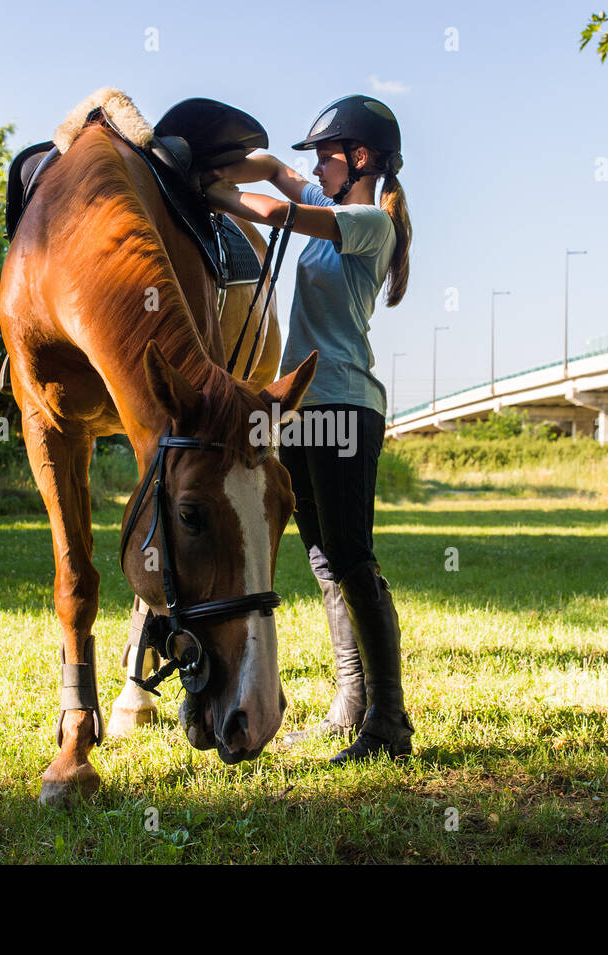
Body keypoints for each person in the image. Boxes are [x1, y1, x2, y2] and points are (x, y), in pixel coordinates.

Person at [203, 95, 414, 763]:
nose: (316, 166)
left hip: (347, 407)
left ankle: (389, 722)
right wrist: (231, 161)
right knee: (324, 562)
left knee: (351, 555)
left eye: (326, 155)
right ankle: (351, 704)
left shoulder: (366, 223)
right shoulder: (336, 203)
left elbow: (279, 211)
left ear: (361, 159)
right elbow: (273, 174)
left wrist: (212, 192)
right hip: (305, 410)